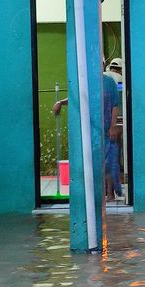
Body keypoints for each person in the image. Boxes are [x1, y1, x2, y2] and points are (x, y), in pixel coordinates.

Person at [52, 72, 122, 200]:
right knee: (93, 163)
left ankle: (110, 194)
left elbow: (115, 106)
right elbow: (75, 98)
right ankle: (97, 194)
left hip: (105, 130)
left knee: (108, 163)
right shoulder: (86, 82)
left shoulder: (109, 83)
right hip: (90, 131)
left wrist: (112, 127)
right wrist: (60, 102)